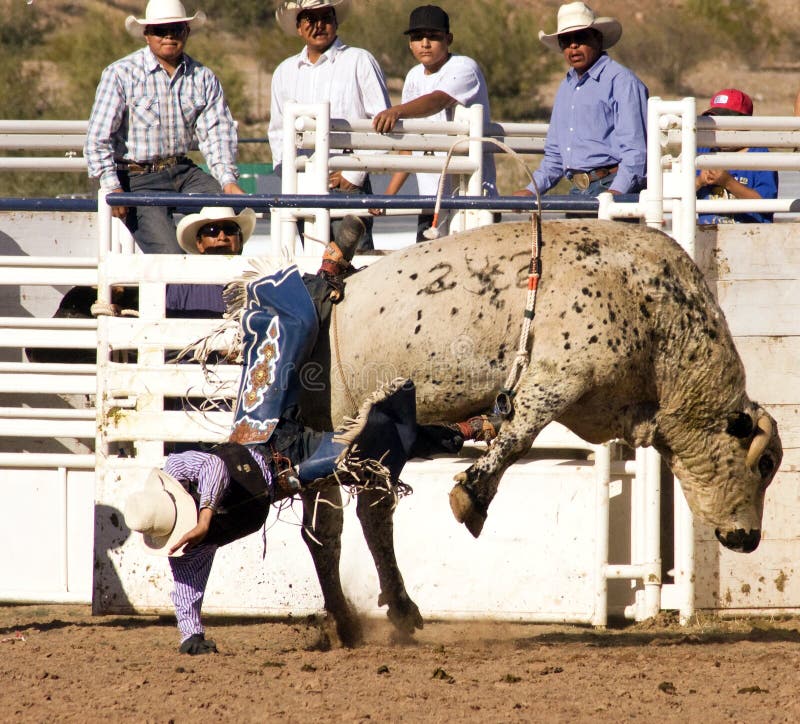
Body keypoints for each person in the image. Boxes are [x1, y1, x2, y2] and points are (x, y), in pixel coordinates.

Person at [125, 256, 501, 653]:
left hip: (261, 431)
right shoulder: (190, 545)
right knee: (368, 453)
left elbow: (215, 468)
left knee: (294, 328)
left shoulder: (180, 470)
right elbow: (186, 585)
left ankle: (323, 279)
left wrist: (202, 517)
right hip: (287, 474)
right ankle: (464, 430)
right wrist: (191, 635)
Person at [84, 0, 245, 255]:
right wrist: (112, 186)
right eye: (161, 30)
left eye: (176, 29)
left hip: (183, 170)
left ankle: (218, 291)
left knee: (225, 220)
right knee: (168, 253)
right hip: (137, 177)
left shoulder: (203, 77)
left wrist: (227, 181)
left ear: (186, 32)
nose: (169, 35)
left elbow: (217, 133)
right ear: (147, 35)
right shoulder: (121, 73)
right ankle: (182, 291)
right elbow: (97, 138)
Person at [268, 0, 390, 250]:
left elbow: (381, 121)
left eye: (325, 18)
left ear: (335, 22)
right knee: (312, 265)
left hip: (346, 181)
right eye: (311, 20)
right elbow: (278, 131)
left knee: (356, 263)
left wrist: (354, 174)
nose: (319, 25)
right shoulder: (285, 71)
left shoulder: (359, 60)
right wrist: (291, 175)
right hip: (303, 183)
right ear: (299, 27)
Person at [370, 5, 497, 241]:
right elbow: (409, 146)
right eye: (418, 37)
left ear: (448, 39)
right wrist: (388, 196)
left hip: (471, 198)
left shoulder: (464, 67)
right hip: (431, 203)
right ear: (410, 44)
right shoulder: (413, 76)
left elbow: (438, 100)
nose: (425, 43)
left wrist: (397, 111)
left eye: (433, 37)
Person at [515, 2, 648, 200]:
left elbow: (635, 150)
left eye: (580, 38)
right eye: (566, 41)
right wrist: (531, 189)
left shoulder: (621, 81)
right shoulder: (567, 87)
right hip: (579, 190)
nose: (573, 46)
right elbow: (555, 155)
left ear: (597, 38)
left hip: (611, 184)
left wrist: (616, 194)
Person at [696, 88, 778, 225]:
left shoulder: (760, 155)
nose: (718, 128)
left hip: (752, 238)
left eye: (724, 122)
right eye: (713, 122)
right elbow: (679, 192)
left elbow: (765, 203)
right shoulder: (703, 150)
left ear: (745, 124)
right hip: (708, 235)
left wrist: (728, 182)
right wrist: (700, 180)